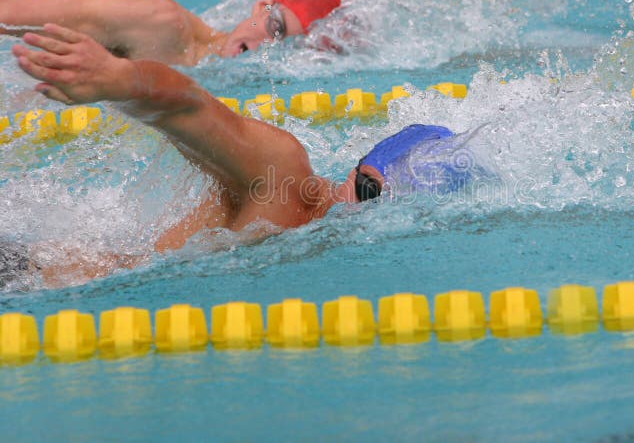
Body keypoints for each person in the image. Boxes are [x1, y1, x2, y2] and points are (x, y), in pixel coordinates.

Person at [5, 24, 472, 288]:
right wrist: (119, 80)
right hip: (26, 273)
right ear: (357, 172)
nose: (366, 217)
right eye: (370, 193)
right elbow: (189, 105)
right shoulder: (287, 182)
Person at [0, 0, 341, 66]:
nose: (268, 46)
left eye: (287, 45)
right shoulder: (157, 19)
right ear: (262, 6)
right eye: (276, 29)